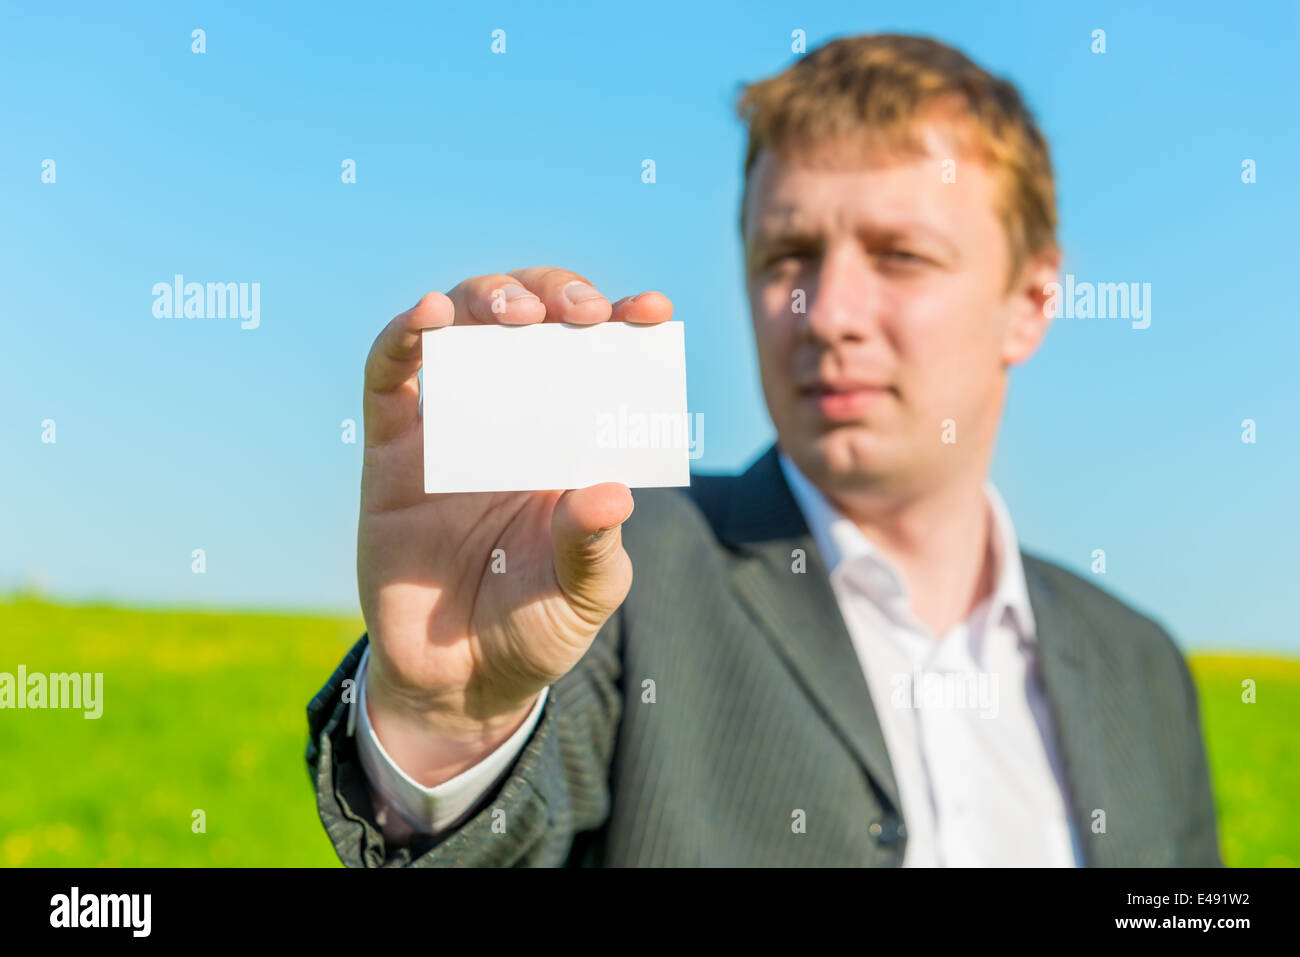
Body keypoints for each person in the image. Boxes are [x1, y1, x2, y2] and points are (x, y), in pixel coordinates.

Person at [305, 33, 1221, 867]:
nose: (823, 314)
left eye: (901, 254)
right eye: (787, 255)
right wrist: (449, 720)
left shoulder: (1138, 667)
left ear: (1030, 301)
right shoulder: (604, 567)